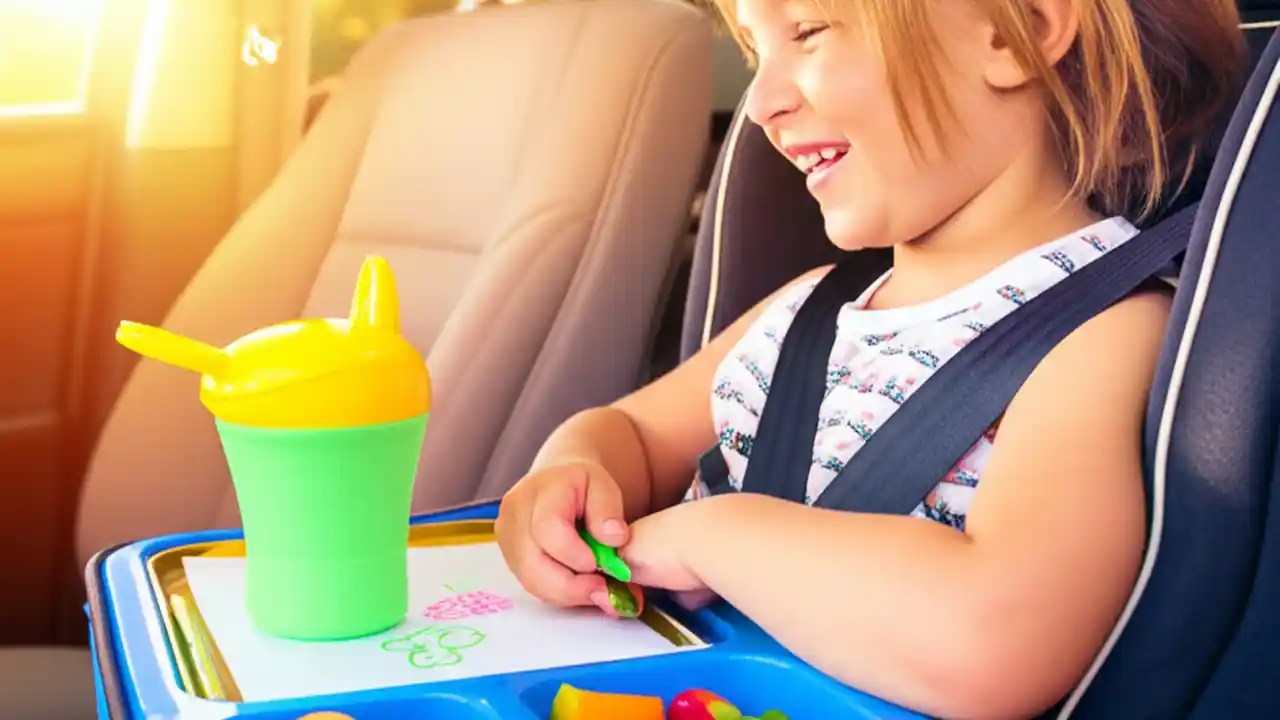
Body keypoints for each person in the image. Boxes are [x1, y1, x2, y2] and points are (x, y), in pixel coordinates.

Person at [494, 0, 1245, 716]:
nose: (760, 105)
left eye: (810, 30)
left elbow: (994, 635)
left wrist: (709, 537)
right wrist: (568, 475)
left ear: (1015, 35)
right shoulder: (808, 308)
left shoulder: (1104, 334)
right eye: (756, 51)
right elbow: (632, 432)